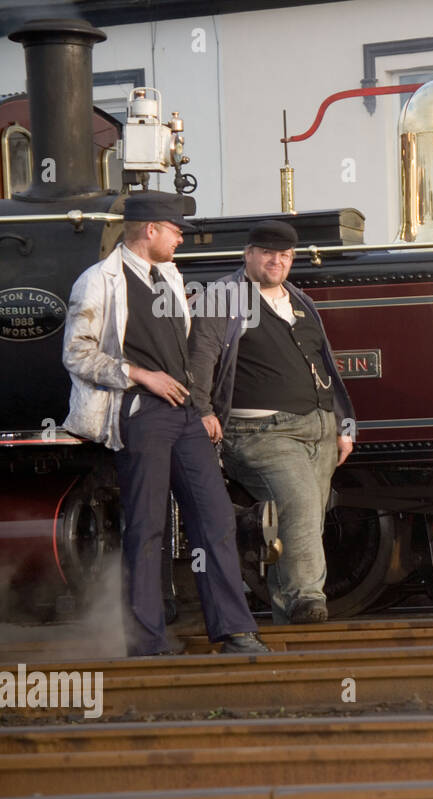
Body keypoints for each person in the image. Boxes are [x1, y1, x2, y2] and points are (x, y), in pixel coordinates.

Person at [62, 191, 266, 656]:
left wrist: (201, 406)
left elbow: (183, 351)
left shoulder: (170, 277)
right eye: (175, 230)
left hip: (185, 415)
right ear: (150, 230)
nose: (180, 239)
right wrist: (140, 375)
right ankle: (146, 643)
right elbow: (76, 352)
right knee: (146, 526)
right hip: (139, 412)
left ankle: (235, 630)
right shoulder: (98, 281)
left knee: (215, 519)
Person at [189, 220, 355, 625]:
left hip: (318, 429)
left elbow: (323, 365)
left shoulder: (300, 300)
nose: (276, 261)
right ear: (248, 254)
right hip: (260, 433)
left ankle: (289, 618)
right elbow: (199, 361)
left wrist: (344, 423)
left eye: (284, 256)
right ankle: (306, 602)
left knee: (309, 517)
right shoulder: (221, 298)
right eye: (267, 254)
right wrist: (203, 412)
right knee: (298, 504)